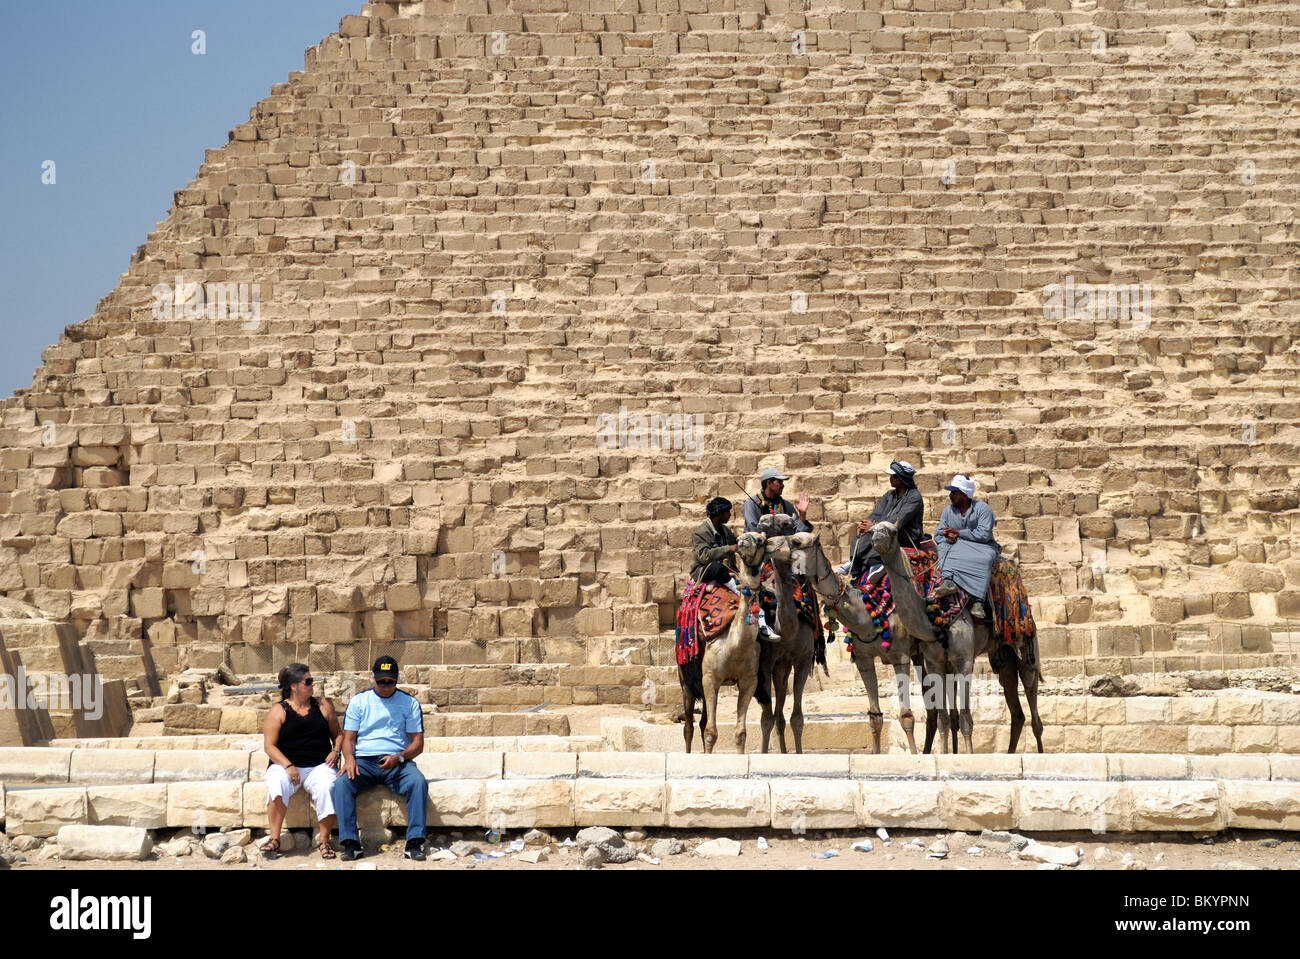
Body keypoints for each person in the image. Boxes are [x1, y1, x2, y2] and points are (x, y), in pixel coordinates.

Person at [332, 656, 430, 862]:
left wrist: (399, 757)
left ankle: (414, 842)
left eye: (390, 682)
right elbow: (349, 738)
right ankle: (351, 843)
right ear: (373, 679)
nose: (386, 686)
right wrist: (349, 759)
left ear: (396, 680)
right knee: (341, 784)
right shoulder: (359, 701)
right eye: (381, 681)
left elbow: (418, 743)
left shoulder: (409, 702)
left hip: (397, 761)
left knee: (417, 782)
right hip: (365, 762)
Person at [260, 663, 344, 859]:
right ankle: (274, 838)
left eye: (311, 680)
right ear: (293, 686)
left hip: (319, 765)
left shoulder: (323, 706)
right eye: (308, 681)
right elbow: (269, 747)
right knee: (277, 784)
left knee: (328, 785)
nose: (312, 684)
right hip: (286, 764)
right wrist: (288, 766)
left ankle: (324, 840)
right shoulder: (278, 711)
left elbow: (338, 734)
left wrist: (336, 751)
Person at [689, 497, 775, 641]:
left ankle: (764, 624)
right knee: (717, 567)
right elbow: (704, 556)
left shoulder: (724, 530)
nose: (730, 515)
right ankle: (738, 591)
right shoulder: (701, 533)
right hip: (705, 570)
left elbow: (737, 540)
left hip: (727, 570)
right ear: (719, 513)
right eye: (727, 512)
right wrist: (729, 548)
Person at [845, 461, 926, 582]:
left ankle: (874, 564)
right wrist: (866, 524)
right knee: (861, 538)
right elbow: (876, 514)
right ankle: (854, 563)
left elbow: (898, 520)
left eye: (894, 476)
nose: (891, 479)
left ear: (902, 478)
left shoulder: (915, 497)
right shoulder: (889, 495)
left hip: (904, 535)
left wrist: (874, 527)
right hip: (883, 529)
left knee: (879, 536)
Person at [933, 474, 999, 619]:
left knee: (986, 558)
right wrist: (946, 535)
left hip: (981, 546)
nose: (950, 495)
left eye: (954, 492)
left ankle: (978, 601)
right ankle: (948, 581)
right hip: (956, 545)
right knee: (942, 548)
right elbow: (937, 534)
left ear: (963, 494)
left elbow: (983, 535)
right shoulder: (948, 511)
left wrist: (958, 533)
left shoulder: (983, 509)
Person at [742, 467, 813, 534]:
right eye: (779, 482)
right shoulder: (751, 504)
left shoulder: (786, 505)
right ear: (769, 483)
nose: (783, 485)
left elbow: (798, 534)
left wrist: (802, 514)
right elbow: (754, 531)